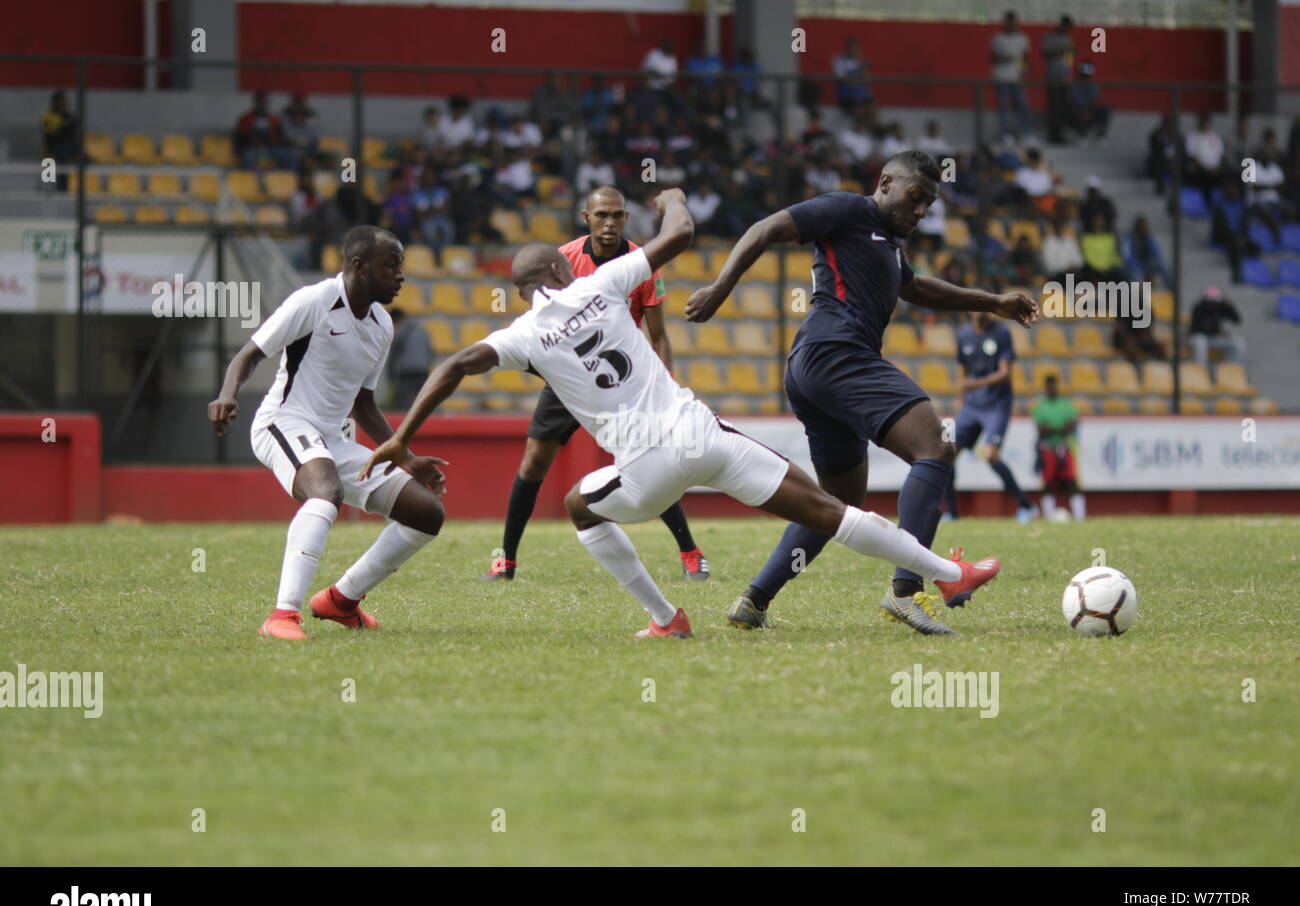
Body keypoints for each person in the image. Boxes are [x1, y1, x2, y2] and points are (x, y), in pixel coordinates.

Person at [361, 190, 1001, 639]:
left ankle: (666, 617)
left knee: (581, 508)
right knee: (832, 512)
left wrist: (404, 438)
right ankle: (948, 574)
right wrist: (669, 198)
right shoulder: (602, 282)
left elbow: (452, 368)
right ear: (565, 264)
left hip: (643, 472)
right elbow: (683, 234)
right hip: (705, 438)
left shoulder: (522, 335)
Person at [685, 151, 1037, 635]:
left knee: (839, 499)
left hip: (815, 366)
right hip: (835, 352)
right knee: (937, 444)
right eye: (916, 198)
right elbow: (765, 228)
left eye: (929, 205)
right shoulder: (848, 210)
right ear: (886, 181)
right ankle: (907, 590)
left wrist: (994, 302)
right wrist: (721, 287)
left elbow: (917, 289)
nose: (921, 212)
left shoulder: (889, 243)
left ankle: (754, 600)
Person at [206, 226, 448, 640]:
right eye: (391, 265)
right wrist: (227, 394)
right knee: (326, 491)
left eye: (401, 266)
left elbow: (364, 402)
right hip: (283, 422)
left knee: (426, 513)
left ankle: (341, 601)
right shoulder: (314, 301)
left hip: (332, 439)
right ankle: (282, 616)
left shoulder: (382, 325)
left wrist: (405, 458)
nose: (401, 275)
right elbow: (249, 354)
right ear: (359, 265)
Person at [478, 185, 710, 584]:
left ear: (625, 219)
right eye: (601, 215)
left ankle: (690, 552)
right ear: (586, 218)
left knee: (647, 462)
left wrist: (665, 383)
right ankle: (506, 560)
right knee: (534, 461)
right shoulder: (562, 259)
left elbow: (660, 337)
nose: (609, 223)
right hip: (570, 375)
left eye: (617, 216)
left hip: (623, 381)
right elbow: (539, 327)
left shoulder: (642, 263)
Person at [944, 312, 1036, 523]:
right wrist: (963, 403)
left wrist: (973, 385)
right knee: (946, 453)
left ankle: (1026, 506)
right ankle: (952, 513)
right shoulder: (963, 335)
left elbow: (1005, 373)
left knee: (991, 455)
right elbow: (963, 374)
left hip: (997, 404)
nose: (979, 311)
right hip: (971, 406)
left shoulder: (1001, 333)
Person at [1032, 375, 1085, 522]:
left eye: (1054, 385)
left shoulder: (1066, 405)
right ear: (1046, 388)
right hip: (1048, 449)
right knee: (1048, 484)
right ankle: (1049, 517)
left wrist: (1053, 429)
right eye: (1050, 386)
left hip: (1064, 448)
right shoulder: (1041, 406)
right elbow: (1041, 429)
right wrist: (1060, 428)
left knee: (1071, 483)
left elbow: (1071, 425)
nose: (1052, 388)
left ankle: (1080, 517)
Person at [990, 11, 1030, 143]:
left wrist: (1023, 71)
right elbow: (992, 58)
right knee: (1003, 107)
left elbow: (1026, 59)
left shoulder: (1022, 38)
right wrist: (1004, 58)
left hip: (1016, 78)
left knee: (1022, 105)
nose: (1011, 25)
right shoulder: (998, 38)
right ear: (1005, 23)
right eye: (1009, 23)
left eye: (1013, 23)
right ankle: (1005, 135)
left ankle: (1023, 133)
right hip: (1001, 78)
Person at [387, 308, 436, 410]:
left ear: (395, 319)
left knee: (404, 407)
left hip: (407, 374)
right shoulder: (423, 330)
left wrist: (391, 376)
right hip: (422, 373)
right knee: (421, 405)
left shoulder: (401, 329)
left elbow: (394, 355)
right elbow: (430, 353)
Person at [1189, 287, 1246, 368]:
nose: (1213, 304)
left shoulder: (1221, 308)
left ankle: (1233, 369)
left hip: (1215, 338)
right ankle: (1201, 369)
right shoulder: (1198, 309)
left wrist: (1229, 304)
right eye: (1210, 301)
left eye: (1215, 302)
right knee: (1200, 342)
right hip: (1198, 337)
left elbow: (1236, 319)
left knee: (1238, 343)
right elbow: (1198, 328)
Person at [1040, 16, 1075, 144]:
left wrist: (1069, 75)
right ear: (1061, 25)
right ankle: (1052, 135)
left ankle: (1061, 135)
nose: (1066, 29)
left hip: (1065, 79)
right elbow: (1046, 53)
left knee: (1063, 107)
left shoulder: (1068, 39)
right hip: (1052, 77)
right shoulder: (1050, 37)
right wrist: (1062, 50)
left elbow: (1069, 61)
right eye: (1065, 26)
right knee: (1053, 107)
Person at [1122, 216, 1173, 289]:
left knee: (1163, 266)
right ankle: (1138, 298)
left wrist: (1152, 262)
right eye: (1143, 226)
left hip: (1147, 265)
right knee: (1136, 275)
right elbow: (1127, 257)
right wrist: (1137, 267)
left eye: (1146, 226)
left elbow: (1155, 252)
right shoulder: (1129, 238)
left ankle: (1172, 291)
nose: (1145, 228)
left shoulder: (1148, 237)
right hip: (1134, 266)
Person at [41, 91, 78, 191]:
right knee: (60, 156)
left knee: (84, 157)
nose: (64, 104)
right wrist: (63, 126)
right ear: (56, 102)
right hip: (53, 147)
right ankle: (60, 188)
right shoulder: (49, 116)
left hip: (69, 147)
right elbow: (50, 134)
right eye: (62, 101)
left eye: (65, 102)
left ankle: (78, 187)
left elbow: (74, 133)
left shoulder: (69, 117)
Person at [1066, 63, 1110, 144]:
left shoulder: (1093, 85)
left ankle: (1099, 134)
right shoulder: (1075, 85)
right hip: (1078, 111)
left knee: (1105, 109)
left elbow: (1096, 100)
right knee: (1073, 113)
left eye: (1087, 76)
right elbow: (1071, 101)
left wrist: (1090, 111)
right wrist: (1080, 111)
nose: (1086, 78)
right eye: (1084, 75)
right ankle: (1079, 134)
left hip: (1090, 111)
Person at [832, 36, 873, 114]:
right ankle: (859, 125)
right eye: (851, 47)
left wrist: (861, 63)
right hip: (847, 97)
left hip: (863, 96)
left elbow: (868, 78)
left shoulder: (863, 61)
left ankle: (871, 126)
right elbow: (842, 77)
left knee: (872, 107)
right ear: (846, 48)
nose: (853, 49)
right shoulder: (839, 60)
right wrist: (857, 77)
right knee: (859, 110)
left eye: (855, 47)